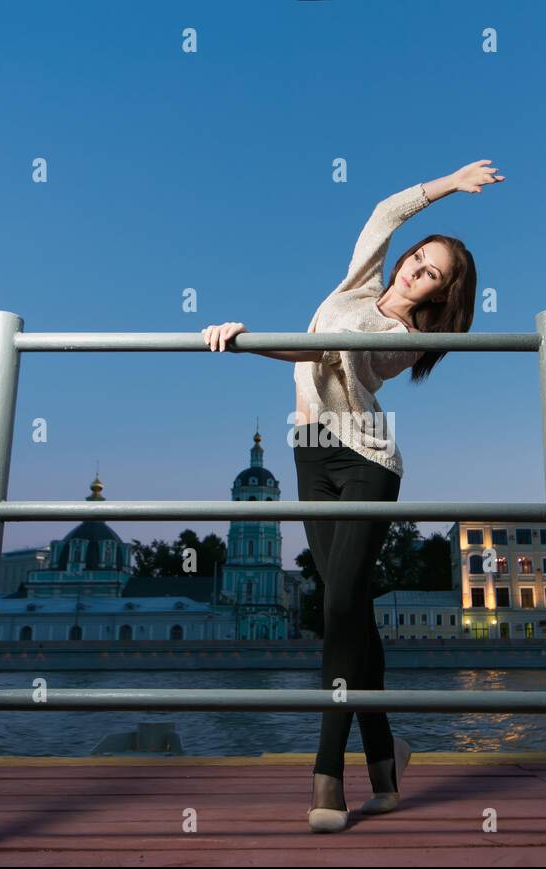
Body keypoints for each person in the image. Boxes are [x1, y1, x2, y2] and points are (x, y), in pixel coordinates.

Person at [201, 159, 503, 831]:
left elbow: (323, 353)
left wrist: (251, 343)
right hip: (309, 455)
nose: (412, 270)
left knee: (337, 603)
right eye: (417, 258)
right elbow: (383, 215)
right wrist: (448, 185)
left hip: (368, 459)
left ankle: (327, 773)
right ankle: (386, 762)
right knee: (353, 611)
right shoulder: (360, 280)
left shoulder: (404, 338)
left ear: (440, 297)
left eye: (429, 273)